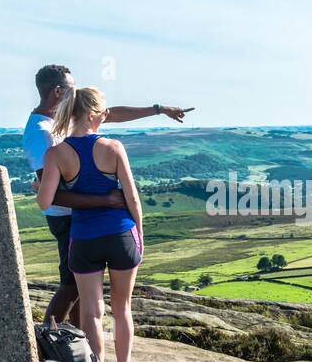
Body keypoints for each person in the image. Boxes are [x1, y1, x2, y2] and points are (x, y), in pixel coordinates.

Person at [23, 64, 191, 327]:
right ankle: (45, 348)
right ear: (57, 91)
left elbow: (108, 114)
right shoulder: (40, 132)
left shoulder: (63, 117)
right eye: (71, 87)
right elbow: (51, 195)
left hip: (83, 215)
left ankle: (81, 349)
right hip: (67, 218)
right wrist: (106, 200)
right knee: (70, 286)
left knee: (81, 290)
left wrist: (158, 109)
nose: (75, 91)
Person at [36, 86, 144, 362]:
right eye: (105, 111)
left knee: (92, 312)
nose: (108, 115)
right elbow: (132, 197)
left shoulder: (55, 153)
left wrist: (40, 183)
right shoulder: (113, 147)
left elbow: (45, 202)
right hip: (121, 233)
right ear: (94, 115)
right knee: (122, 308)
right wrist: (140, 231)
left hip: (83, 238)